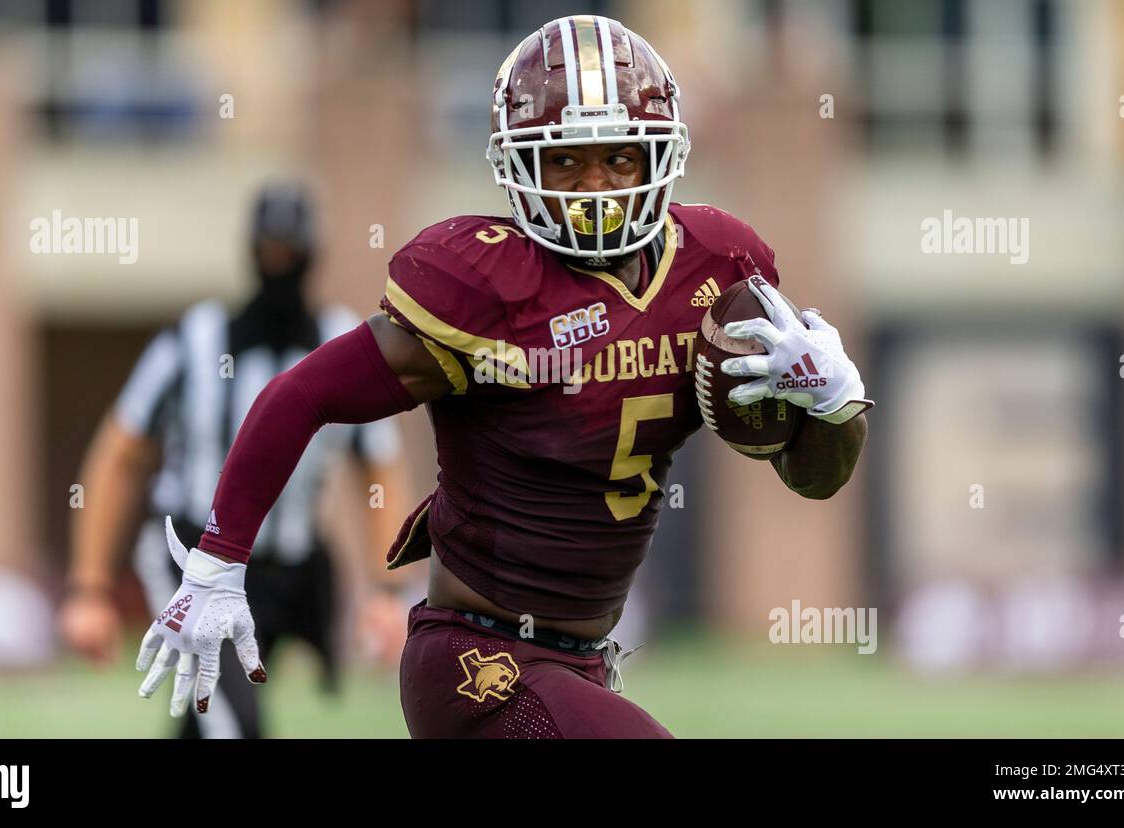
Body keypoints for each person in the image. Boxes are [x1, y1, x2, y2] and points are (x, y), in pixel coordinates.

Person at [134, 16, 872, 738]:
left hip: (582, 666)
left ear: (660, 159)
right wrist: (217, 563)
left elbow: (813, 478)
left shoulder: (716, 266)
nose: (595, 187)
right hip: (479, 660)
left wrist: (839, 406)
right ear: (520, 166)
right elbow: (302, 393)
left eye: (619, 158)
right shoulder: (488, 283)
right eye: (566, 162)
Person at [63, 181, 409, 738]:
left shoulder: (340, 342)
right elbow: (118, 453)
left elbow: (379, 464)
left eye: (289, 253)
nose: (280, 265)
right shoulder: (192, 339)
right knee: (231, 722)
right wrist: (89, 587)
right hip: (191, 559)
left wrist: (386, 589)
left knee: (208, 718)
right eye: (270, 251)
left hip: (284, 572)